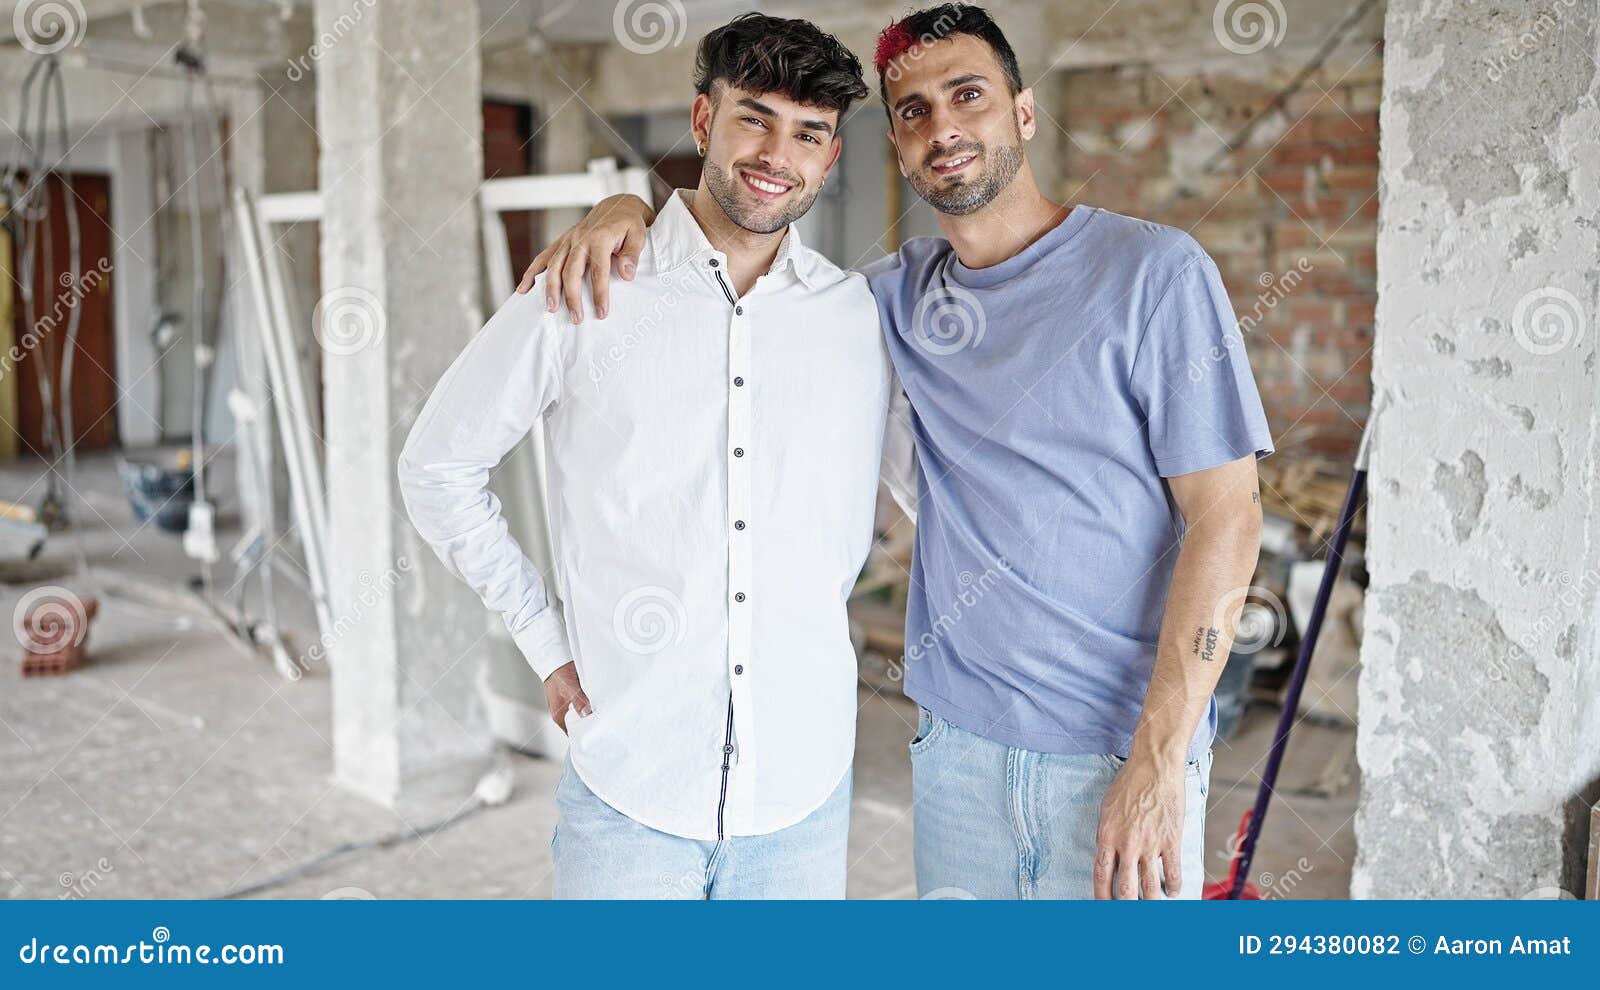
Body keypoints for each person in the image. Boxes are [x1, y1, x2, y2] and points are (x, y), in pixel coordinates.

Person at [516, 3, 1274, 900]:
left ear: (1023, 112)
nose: (943, 127)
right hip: (954, 751)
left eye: (968, 96)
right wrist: (627, 208)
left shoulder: (1153, 274)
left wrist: (1161, 754)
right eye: (912, 109)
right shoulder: (890, 301)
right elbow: (752, 280)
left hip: (1120, 748)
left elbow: (1228, 512)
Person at [399, 13, 899, 899]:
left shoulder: (859, 319)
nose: (777, 153)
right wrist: (545, 642)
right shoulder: (587, 286)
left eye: (809, 133)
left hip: (802, 800)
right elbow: (437, 466)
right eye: (755, 118)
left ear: (830, 157)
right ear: (704, 122)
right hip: (631, 796)